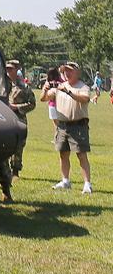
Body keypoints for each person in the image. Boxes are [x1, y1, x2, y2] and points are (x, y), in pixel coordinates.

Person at [47, 62, 93, 193]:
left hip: (78, 126)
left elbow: (85, 98)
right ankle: (65, 181)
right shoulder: (60, 86)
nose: (67, 73)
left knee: (81, 155)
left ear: (77, 72)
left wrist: (68, 92)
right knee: (63, 154)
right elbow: (43, 98)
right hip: (62, 126)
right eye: (65, 71)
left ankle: (87, 184)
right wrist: (45, 89)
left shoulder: (82, 87)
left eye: (70, 70)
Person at [5, 60, 37, 183]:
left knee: (18, 145)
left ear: (17, 70)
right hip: (4, 118)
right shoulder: (2, 84)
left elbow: (32, 104)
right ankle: (4, 170)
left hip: (18, 119)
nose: (8, 71)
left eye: (11, 69)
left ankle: (15, 171)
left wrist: (17, 107)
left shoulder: (24, 87)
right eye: (7, 69)